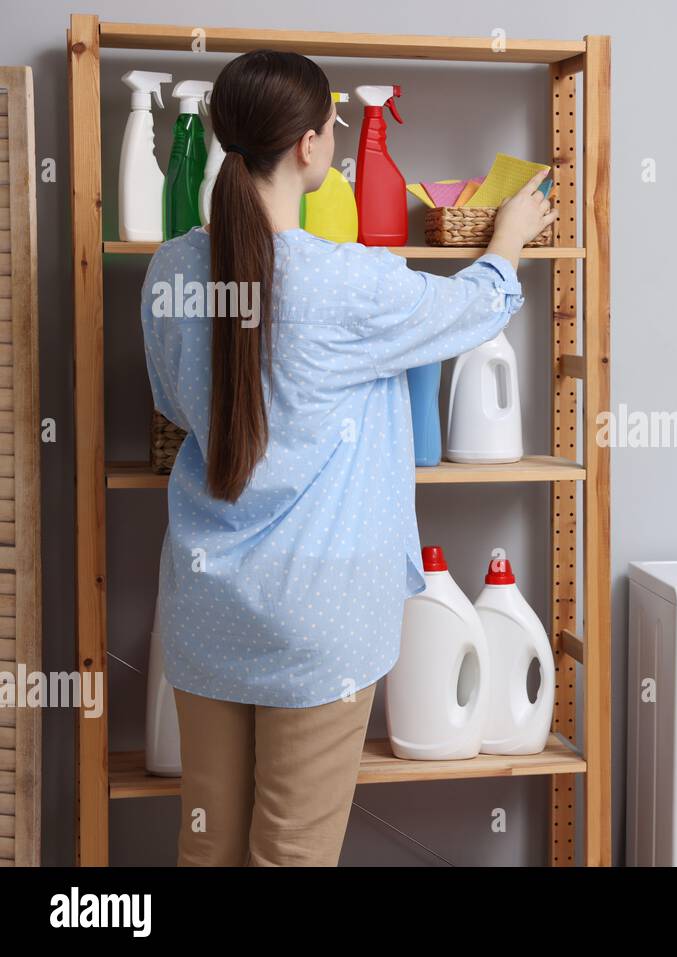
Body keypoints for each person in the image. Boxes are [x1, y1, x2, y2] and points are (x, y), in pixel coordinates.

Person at [139, 49, 556, 866]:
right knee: (291, 851)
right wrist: (505, 242)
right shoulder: (352, 282)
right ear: (307, 147)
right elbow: (470, 309)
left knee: (209, 845)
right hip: (318, 612)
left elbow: (171, 401)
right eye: (330, 122)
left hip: (205, 604)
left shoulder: (170, 270)